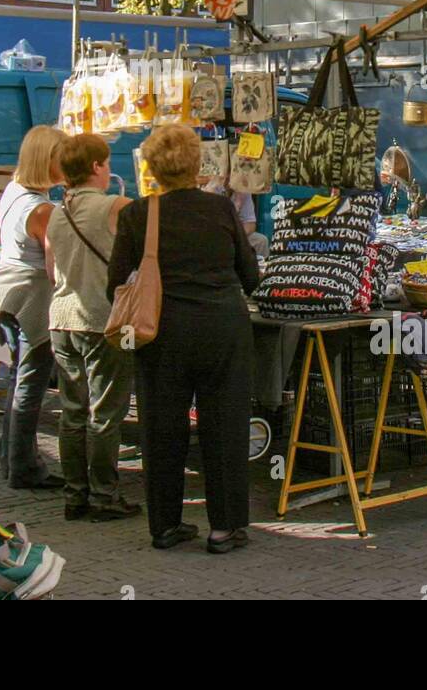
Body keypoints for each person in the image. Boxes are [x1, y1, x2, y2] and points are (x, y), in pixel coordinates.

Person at [108, 124, 259, 554]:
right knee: (225, 427)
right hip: (221, 330)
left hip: (162, 333)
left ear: (152, 167)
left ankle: (165, 526)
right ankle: (224, 528)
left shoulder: (138, 214)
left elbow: (114, 284)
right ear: (198, 163)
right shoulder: (221, 210)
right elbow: (249, 276)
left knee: (161, 428)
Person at [45, 133, 138, 522]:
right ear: (97, 167)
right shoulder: (117, 206)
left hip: (62, 318)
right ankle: (103, 496)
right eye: (106, 162)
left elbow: (52, 270)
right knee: (105, 413)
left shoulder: (53, 212)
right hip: (102, 319)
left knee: (72, 411)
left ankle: (75, 495)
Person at [0, 124, 67, 489]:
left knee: (20, 378)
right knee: (29, 385)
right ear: (46, 161)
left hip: (7, 294)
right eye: (61, 159)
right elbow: (55, 269)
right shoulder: (42, 209)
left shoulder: (13, 191)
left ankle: (12, 456)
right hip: (31, 300)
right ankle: (24, 467)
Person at [202, 179, 269, 258]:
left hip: (235, 234)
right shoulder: (211, 189)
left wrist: (236, 235)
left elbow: (250, 224)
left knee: (261, 240)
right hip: (213, 234)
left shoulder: (243, 191)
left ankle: (257, 268)